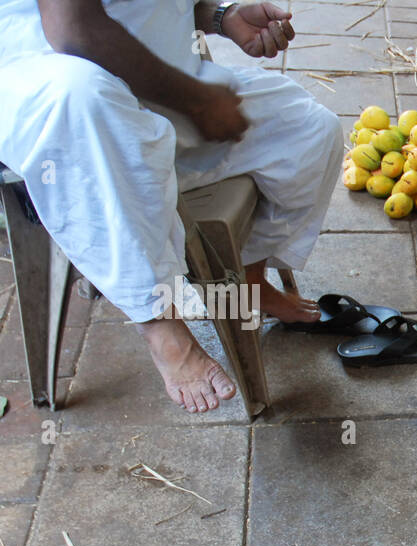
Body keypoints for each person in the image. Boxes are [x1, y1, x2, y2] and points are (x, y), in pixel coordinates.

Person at [0, 1, 344, 412]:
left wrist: (221, 18)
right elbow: (73, 29)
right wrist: (195, 101)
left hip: (163, 89)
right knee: (82, 98)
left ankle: (246, 280)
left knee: (310, 130)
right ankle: (160, 325)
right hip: (59, 97)